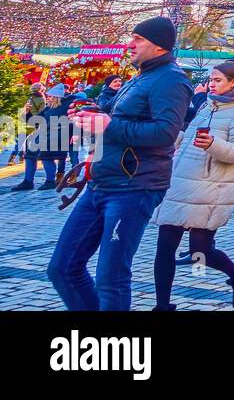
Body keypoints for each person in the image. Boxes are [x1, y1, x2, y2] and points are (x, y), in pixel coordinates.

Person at [47, 17, 192, 312]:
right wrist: (90, 115)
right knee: (62, 268)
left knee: (111, 278)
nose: (130, 45)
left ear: (159, 45)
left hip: (134, 187)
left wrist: (107, 124)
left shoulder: (172, 80)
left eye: (137, 39)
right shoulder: (140, 76)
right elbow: (119, 119)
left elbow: (165, 133)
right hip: (102, 181)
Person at [152, 60, 234, 311]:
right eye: (211, 79)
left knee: (201, 251)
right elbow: (185, 140)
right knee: (165, 246)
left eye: (218, 80)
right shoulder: (206, 108)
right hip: (180, 185)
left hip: (211, 189)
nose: (212, 84)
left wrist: (212, 144)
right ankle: (162, 306)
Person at [10, 83, 67, 192]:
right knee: (30, 155)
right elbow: (37, 120)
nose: (48, 98)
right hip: (43, 135)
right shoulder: (47, 109)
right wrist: (26, 113)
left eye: (50, 96)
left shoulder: (62, 109)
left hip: (56, 137)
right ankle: (28, 181)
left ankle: (50, 181)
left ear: (56, 97)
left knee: (46, 157)